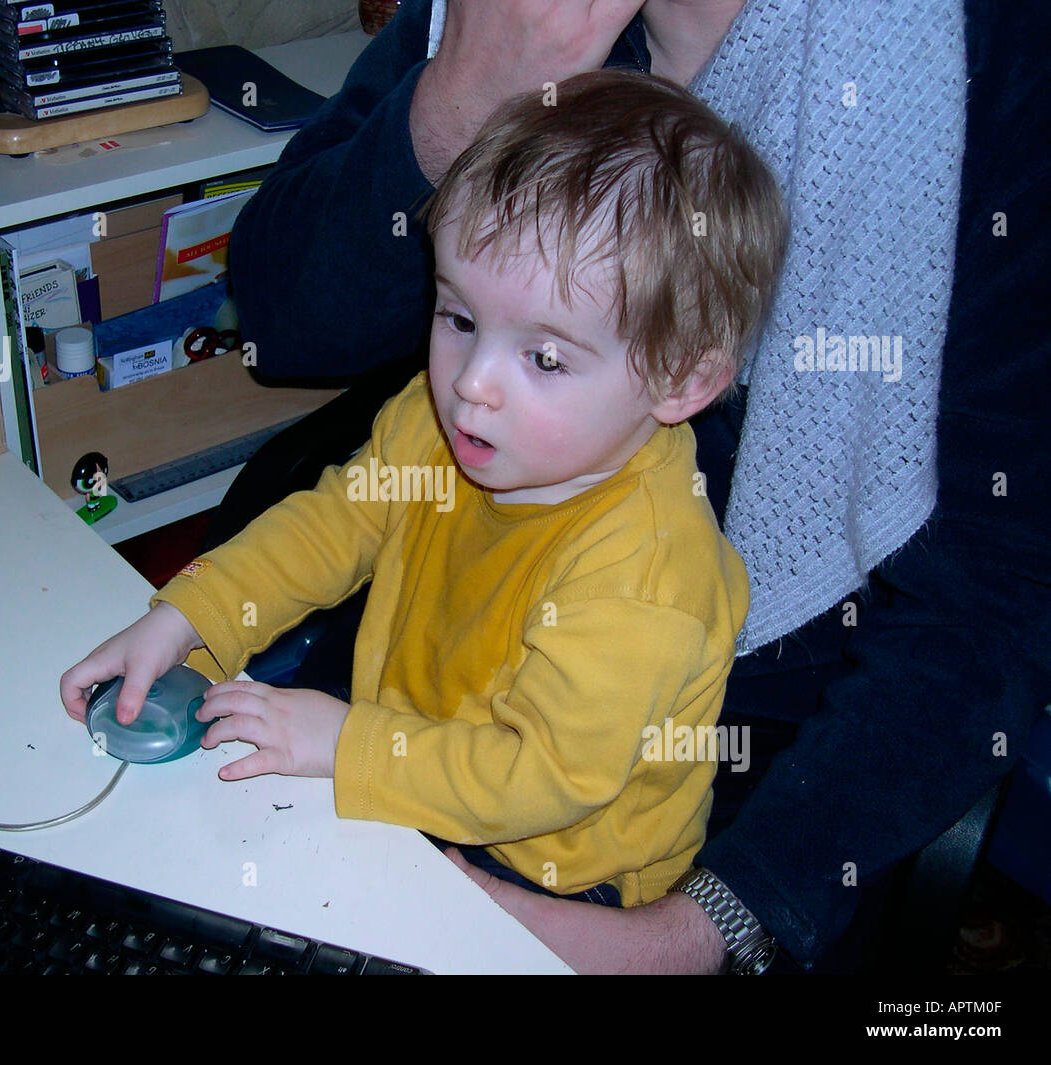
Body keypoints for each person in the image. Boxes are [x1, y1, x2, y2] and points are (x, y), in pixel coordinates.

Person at [213, 0, 1051, 973]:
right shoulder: (495, 14)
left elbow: (998, 595)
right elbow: (280, 327)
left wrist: (708, 926)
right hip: (434, 629)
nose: (479, 382)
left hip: (737, 765)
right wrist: (464, 90)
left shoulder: (980, 60)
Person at [61, 69, 788, 907]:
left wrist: (351, 747)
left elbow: (544, 776)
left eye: (545, 358)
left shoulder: (649, 576)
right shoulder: (444, 423)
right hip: (414, 744)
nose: (472, 382)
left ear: (680, 380)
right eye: (460, 318)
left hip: (557, 862)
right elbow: (330, 528)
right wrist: (188, 616)